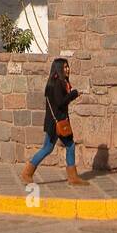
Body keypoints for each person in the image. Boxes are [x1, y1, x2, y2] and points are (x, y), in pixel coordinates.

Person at [21, 57, 85, 186]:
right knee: (48, 148)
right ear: (58, 69)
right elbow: (60, 103)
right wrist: (74, 94)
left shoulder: (59, 82)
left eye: (68, 67)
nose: (67, 69)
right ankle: (27, 173)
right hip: (56, 123)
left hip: (60, 122)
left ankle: (73, 178)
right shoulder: (56, 84)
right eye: (65, 67)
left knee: (68, 146)